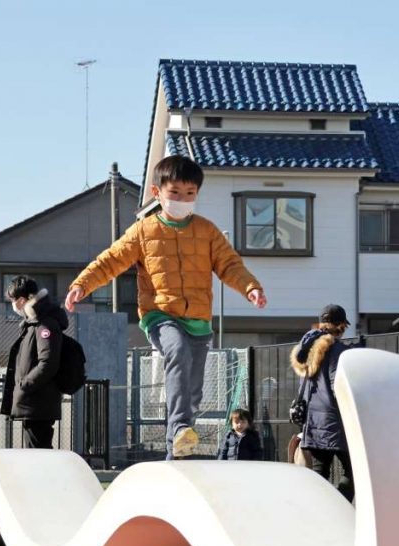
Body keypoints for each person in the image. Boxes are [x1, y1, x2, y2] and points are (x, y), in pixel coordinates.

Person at [66, 155, 267, 459]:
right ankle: (179, 427)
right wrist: (83, 284)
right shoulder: (143, 231)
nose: (182, 200)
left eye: (190, 194)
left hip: (198, 320)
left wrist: (250, 287)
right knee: (177, 351)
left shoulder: (207, 231)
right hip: (160, 315)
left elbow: (230, 265)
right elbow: (111, 260)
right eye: (174, 193)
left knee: (193, 391)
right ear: (156, 192)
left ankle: (177, 448)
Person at [290, 305, 356, 503]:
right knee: (354, 471)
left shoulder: (306, 349)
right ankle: (337, 506)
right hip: (335, 420)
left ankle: (318, 509)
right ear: (340, 325)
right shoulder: (337, 351)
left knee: (320, 471)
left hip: (313, 421)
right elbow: (339, 386)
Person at [0, 276, 68, 449]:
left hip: (37, 404)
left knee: (38, 454)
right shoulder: (34, 323)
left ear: (22, 300)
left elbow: (48, 363)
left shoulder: (44, 324)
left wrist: (24, 385)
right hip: (34, 404)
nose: (12, 305)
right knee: (37, 454)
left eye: (13, 300)